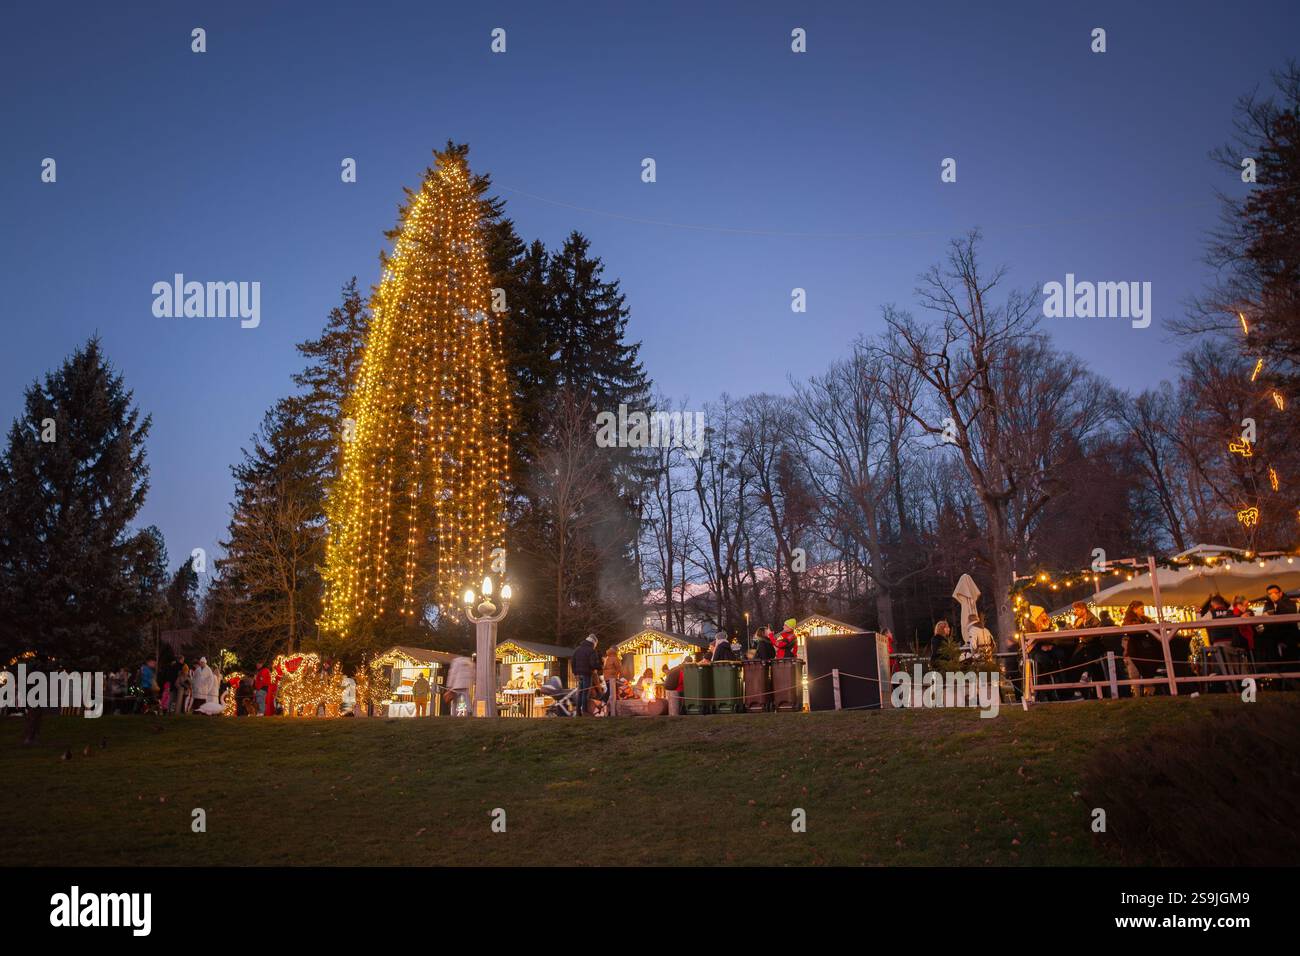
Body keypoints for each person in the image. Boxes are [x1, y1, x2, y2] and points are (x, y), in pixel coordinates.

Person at [1259, 584, 1299, 669]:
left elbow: (1290, 612)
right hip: (1274, 633)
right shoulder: (1267, 605)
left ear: (1280, 593)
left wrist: (1278, 601)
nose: (1272, 595)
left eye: (1275, 593)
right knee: (1263, 639)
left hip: (1288, 632)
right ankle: (1272, 668)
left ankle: (1291, 669)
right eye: (1270, 594)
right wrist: (1264, 617)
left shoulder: (1289, 602)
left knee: (1291, 653)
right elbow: (1265, 619)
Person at [572, 634, 601, 718]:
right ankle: (584, 711)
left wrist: (575, 673)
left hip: (578, 674)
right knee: (585, 693)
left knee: (580, 693)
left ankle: (578, 712)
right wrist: (599, 667)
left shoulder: (577, 650)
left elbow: (573, 662)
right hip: (587, 674)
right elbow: (593, 664)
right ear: (594, 642)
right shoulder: (591, 651)